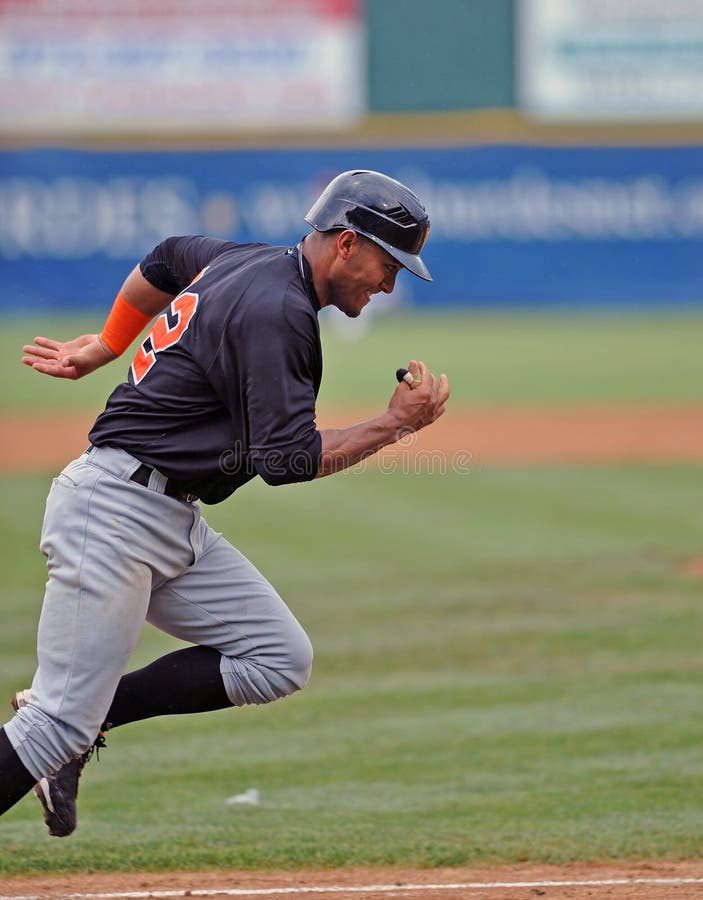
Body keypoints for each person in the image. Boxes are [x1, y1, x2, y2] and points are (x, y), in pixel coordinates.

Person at [0, 169, 450, 837]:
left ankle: (91, 715)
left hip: (167, 515)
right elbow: (285, 462)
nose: (388, 285)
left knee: (276, 658)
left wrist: (107, 343)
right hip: (116, 512)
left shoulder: (243, 260)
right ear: (347, 243)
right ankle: (71, 721)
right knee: (51, 727)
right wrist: (396, 425)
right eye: (387, 265)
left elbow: (167, 255)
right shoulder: (280, 313)